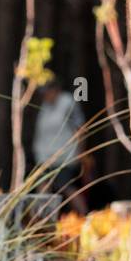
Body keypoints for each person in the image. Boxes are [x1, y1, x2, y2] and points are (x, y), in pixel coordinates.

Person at [31, 79, 92, 214]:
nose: (45, 96)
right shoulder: (45, 106)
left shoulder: (68, 103)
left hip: (64, 157)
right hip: (45, 158)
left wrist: (82, 154)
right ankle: (42, 223)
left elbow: (80, 129)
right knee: (42, 190)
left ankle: (85, 217)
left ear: (55, 90)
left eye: (47, 92)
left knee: (67, 187)